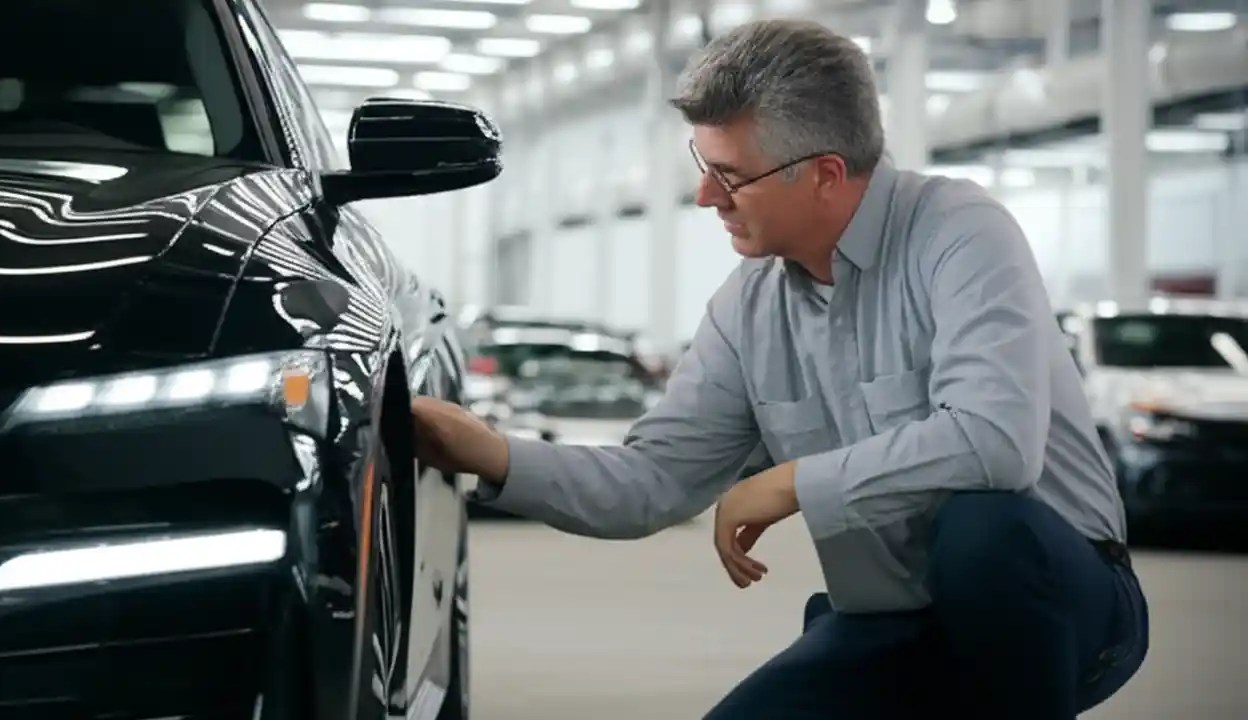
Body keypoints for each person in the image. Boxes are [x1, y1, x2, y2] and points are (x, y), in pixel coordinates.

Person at [411, 17, 1149, 719]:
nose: (706, 197)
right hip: (895, 620)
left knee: (984, 529)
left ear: (825, 173)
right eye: (704, 168)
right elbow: (653, 481)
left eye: (730, 176)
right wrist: (494, 453)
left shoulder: (960, 233)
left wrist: (794, 481)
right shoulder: (748, 310)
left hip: (1060, 608)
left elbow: (995, 442)